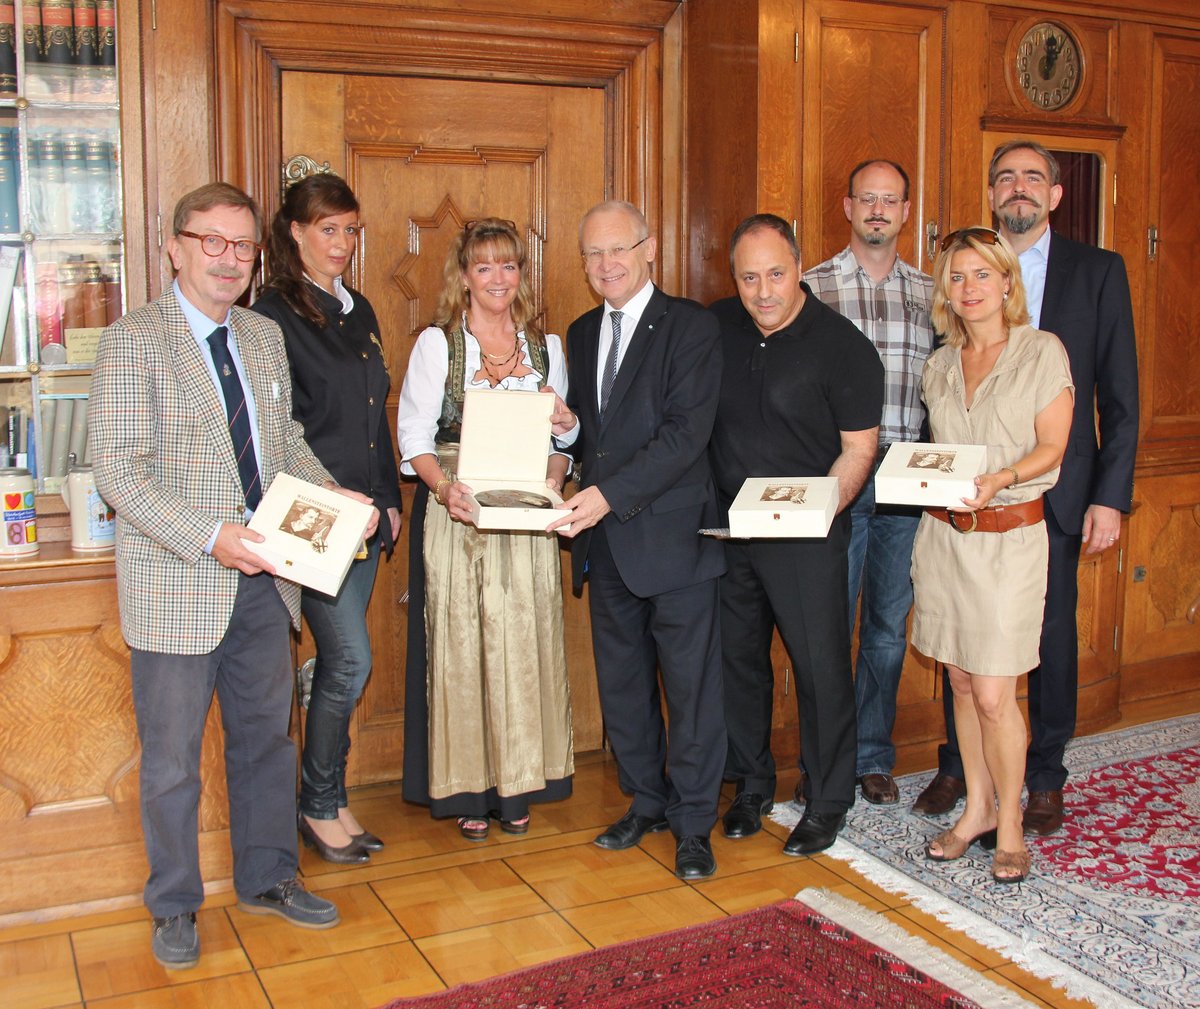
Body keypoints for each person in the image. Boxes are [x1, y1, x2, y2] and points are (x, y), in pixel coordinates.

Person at [89, 183, 378, 969]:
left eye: (242, 246)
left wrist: (333, 493)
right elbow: (117, 469)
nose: (227, 259)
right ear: (174, 245)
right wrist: (210, 535)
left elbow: (281, 441)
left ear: (258, 256)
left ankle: (269, 878)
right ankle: (176, 904)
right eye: (210, 242)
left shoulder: (258, 336)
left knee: (265, 743)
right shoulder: (133, 340)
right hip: (179, 582)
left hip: (267, 582)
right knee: (175, 760)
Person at [913, 141, 1139, 835]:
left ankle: (1041, 780)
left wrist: (1110, 494)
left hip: (1049, 503)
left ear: (1055, 193)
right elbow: (940, 437)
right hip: (956, 525)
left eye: (1032, 177)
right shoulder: (944, 356)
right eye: (1005, 177)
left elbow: (1120, 395)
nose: (1019, 187)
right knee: (967, 671)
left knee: (1045, 647)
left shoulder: (1095, 274)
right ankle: (967, 779)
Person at [547, 200, 726, 881]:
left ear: (650, 248)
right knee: (623, 687)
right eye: (592, 254)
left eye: (618, 249)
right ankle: (646, 801)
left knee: (691, 691)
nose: (605, 264)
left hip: (675, 542)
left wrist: (606, 496)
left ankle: (692, 823)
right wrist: (567, 431)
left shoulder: (691, 327)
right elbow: (594, 436)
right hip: (608, 545)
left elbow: (686, 435)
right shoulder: (583, 331)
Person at [710, 213, 883, 856]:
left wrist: (816, 512)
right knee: (738, 666)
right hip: (729, 533)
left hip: (809, 534)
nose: (763, 291)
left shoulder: (843, 346)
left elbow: (859, 451)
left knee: (820, 671)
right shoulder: (717, 327)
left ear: (800, 268)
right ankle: (752, 786)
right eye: (749, 277)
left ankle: (828, 797)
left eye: (776, 274)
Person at [396, 217, 573, 843]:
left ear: (521, 274)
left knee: (521, 642)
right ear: (464, 276)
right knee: (462, 644)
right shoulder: (439, 346)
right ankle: (469, 787)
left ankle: (519, 784)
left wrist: (555, 472)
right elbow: (414, 436)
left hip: (525, 512)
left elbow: (563, 441)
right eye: (484, 266)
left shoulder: (545, 345)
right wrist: (445, 491)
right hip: (458, 508)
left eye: (508, 265)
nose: (498, 277)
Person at [914, 226, 1073, 883]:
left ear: (1008, 281)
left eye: (983, 274)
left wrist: (1000, 479)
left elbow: (1053, 447)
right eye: (957, 276)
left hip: (1011, 540)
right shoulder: (939, 364)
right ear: (944, 291)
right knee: (958, 678)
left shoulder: (1041, 351)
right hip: (947, 540)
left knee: (994, 692)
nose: (969, 288)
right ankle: (976, 805)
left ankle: (1010, 819)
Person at [251, 173, 402, 865]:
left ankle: (333, 798)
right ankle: (316, 804)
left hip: (367, 518)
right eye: (326, 229)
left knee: (342, 665)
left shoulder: (361, 307)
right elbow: (275, 429)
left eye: (349, 229)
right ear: (295, 232)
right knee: (348, 660)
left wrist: (391, 497)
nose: (340, 242)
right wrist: (340, 499)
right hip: (312, 518)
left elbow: (376, 413)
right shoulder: (271, 315)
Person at [803, 159, 935, 807]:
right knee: (827, 623)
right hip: (839, 472)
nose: (879, 210)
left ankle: (874, 756)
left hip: (908, 478)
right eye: (868, 199)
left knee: (886, 626)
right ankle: (825, 759)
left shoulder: (933, 293)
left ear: (907, 212)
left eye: (892, 200)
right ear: (848, 205)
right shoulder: (813, 287)